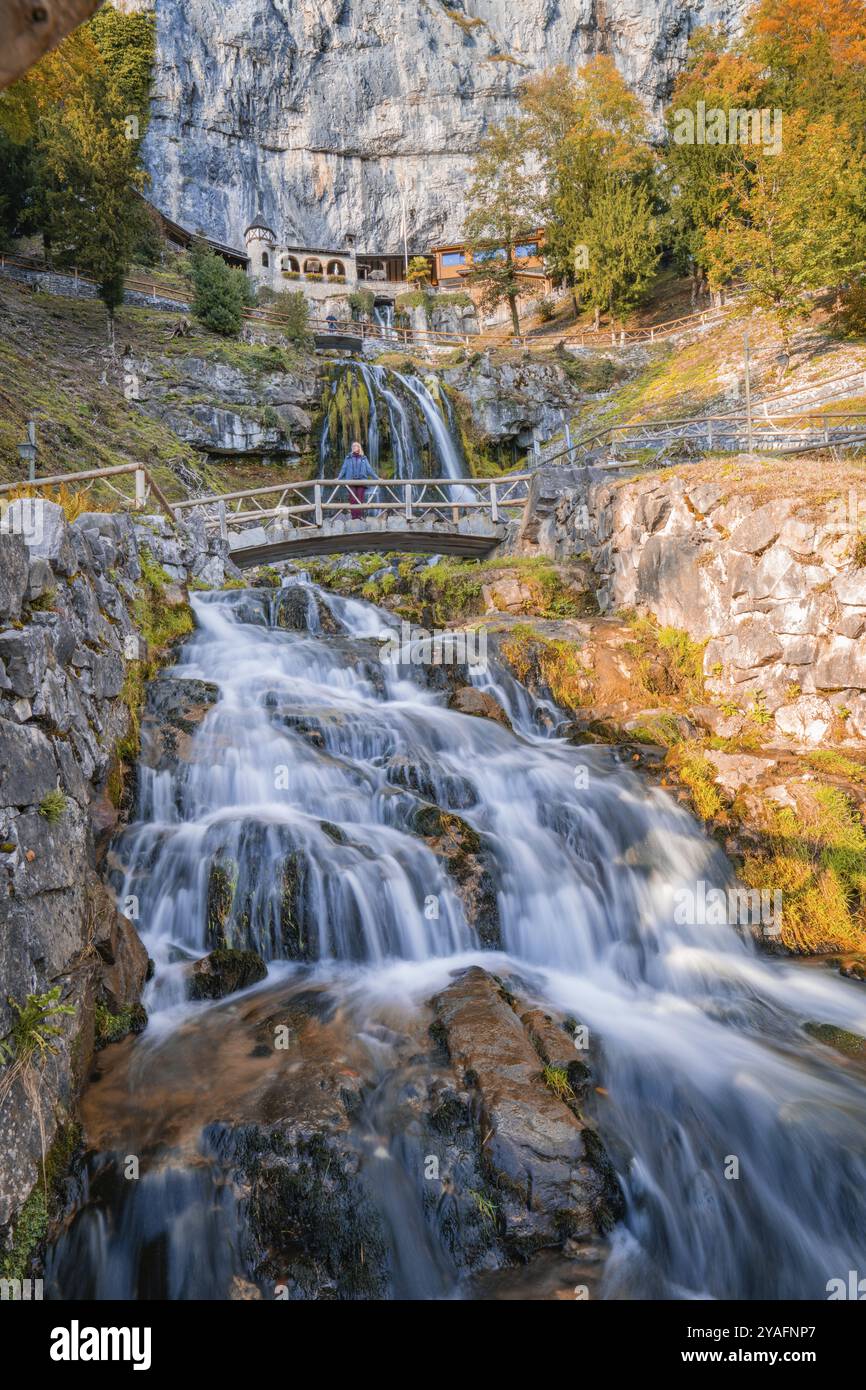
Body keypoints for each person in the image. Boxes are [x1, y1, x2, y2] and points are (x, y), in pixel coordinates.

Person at [338, 441, 377, 519]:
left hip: (361, 481)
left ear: (359, 448)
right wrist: (339, 477)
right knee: (352, 499)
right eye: (353, 446)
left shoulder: (364, 458)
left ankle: (359, 516)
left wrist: (377, 478)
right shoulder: (348, 458)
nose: (354, 447)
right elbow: (344, 468)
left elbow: (369, 470)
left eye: (356, 446)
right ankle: (354, 517)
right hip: (351, 481)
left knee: (360, 498)